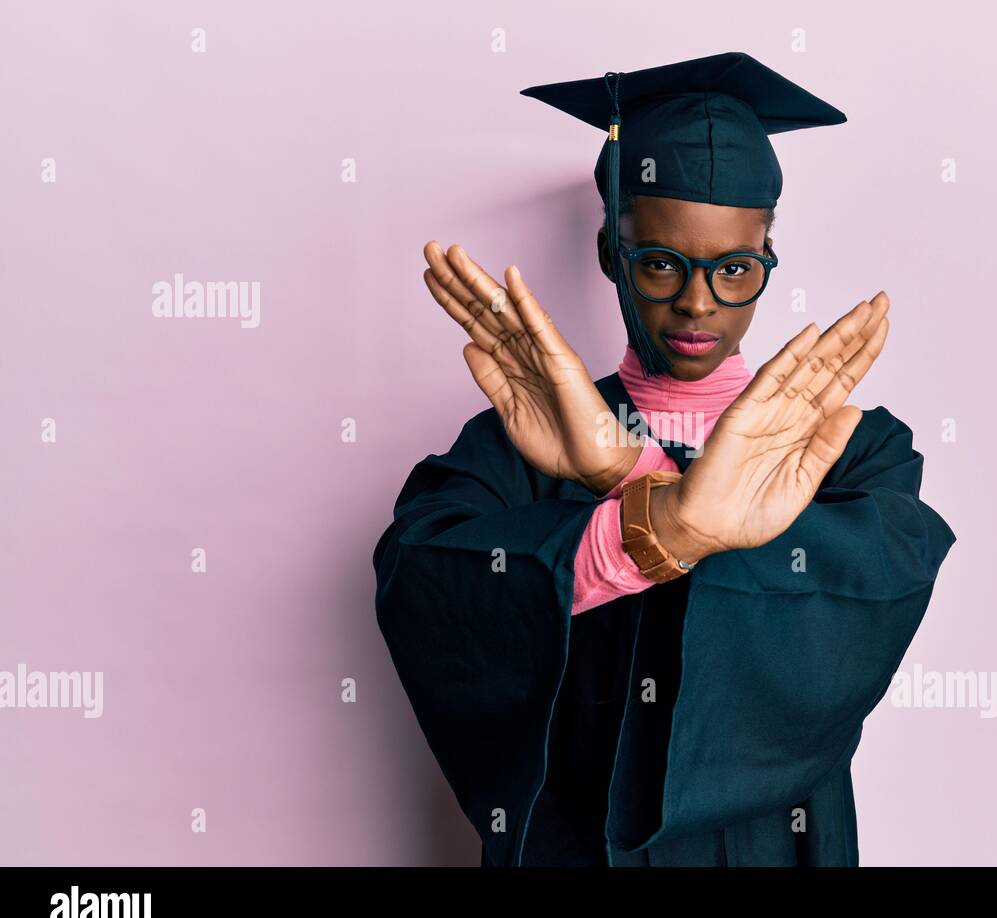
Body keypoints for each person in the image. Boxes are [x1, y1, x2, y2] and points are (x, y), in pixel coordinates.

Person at [372, 52, 957, 867]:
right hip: (573, 845)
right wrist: (671, 521)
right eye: (660, 263)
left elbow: (869, 598)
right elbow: (424, 585)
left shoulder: (854, 448)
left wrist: (633, 484)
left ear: (765, 260)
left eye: (734, 269)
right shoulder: (520, 437)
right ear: (613, 253)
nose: (697, 300)